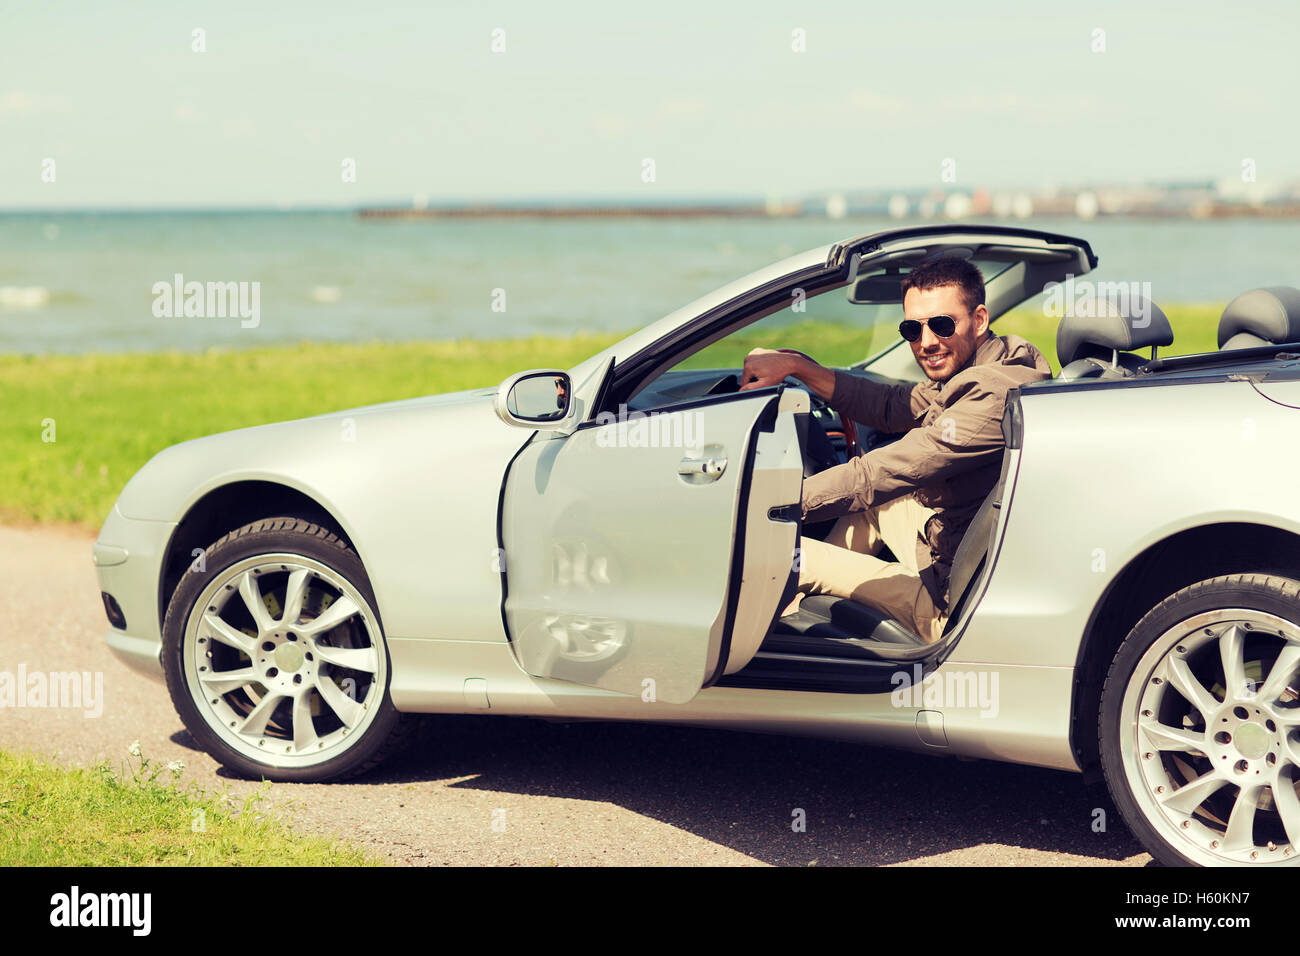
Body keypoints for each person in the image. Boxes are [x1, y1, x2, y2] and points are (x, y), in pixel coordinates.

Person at [739, 258, 1051, 642]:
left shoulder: (991, 394)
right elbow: (891, 406)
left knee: (786, 558)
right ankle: (798, 609)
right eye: (912, 330)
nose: (927, 342)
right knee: (880, 506)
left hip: (953, 603)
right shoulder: (988, 363)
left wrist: (766, 503)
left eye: (942, 324)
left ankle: (784, 630)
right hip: (958, 550)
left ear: (980, 319)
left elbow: (880, 473)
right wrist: (798, 367)